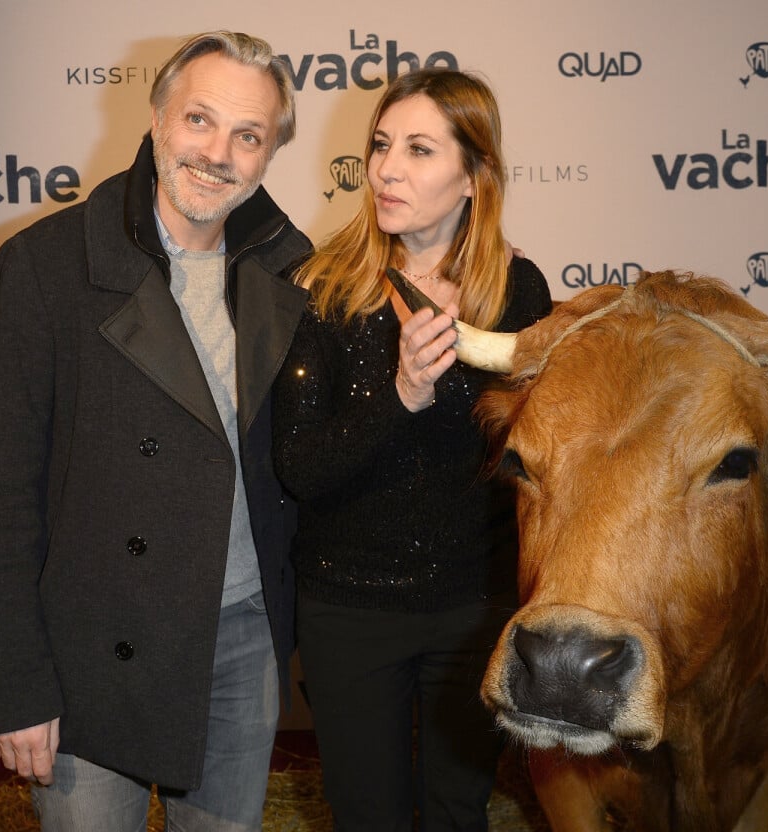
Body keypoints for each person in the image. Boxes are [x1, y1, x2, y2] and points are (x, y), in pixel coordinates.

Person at [0, 31, 312, 831]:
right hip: (91, 656)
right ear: (156, 118)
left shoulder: (291, 273)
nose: (218, 153)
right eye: (199, 120)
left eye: (247, 136)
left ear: (268, 154)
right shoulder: (44, 267)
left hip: (241, 640)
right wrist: (14, 687)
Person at [272, 69, 552, 831]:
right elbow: (299, 466)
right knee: (370, 816)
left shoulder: (519, 294)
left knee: (460, 813)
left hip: (474, 609)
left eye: (420, 150)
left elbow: (535, 458)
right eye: (381, 145)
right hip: (349, 610)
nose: (388, 169)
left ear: (473, 176)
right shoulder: (323, 289)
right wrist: (399, 395)